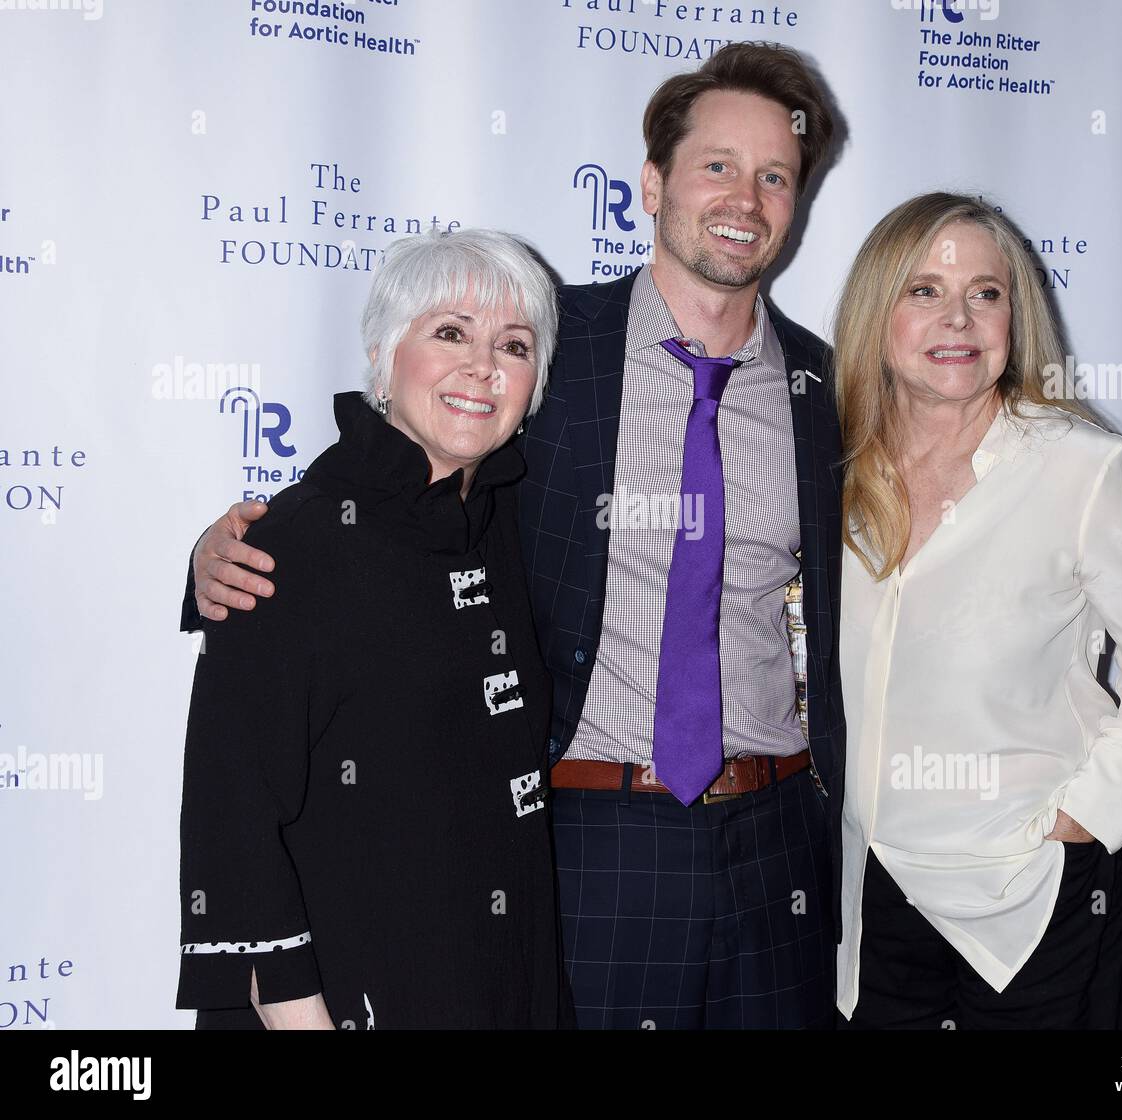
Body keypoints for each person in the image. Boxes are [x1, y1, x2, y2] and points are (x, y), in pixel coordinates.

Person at [181, 43, 846, 1030]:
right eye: (716, 165)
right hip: (587, 840)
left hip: (778, 839)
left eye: (774, 174)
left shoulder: (825, 391)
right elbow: (403, 480)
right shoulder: (544, 346)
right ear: (653, 182)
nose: (744, 196)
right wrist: (223, 554)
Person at [833, 192, 1122, 1029]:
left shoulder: (1087, 469)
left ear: (1015, 314)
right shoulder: (835, 469)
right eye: (923, 290)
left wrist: (1086, 816)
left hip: (1034, 892)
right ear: (877, 312)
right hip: (874, 892)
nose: (958, 317)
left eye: (986, 293)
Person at [176, 228, 567, 1029]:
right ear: (385, 355)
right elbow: (233, 820)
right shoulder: (287, 546)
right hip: (339, 1000)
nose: (483, 366)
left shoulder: (507, 524)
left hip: (497, 981)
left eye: (514, 345)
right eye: (449, 332)